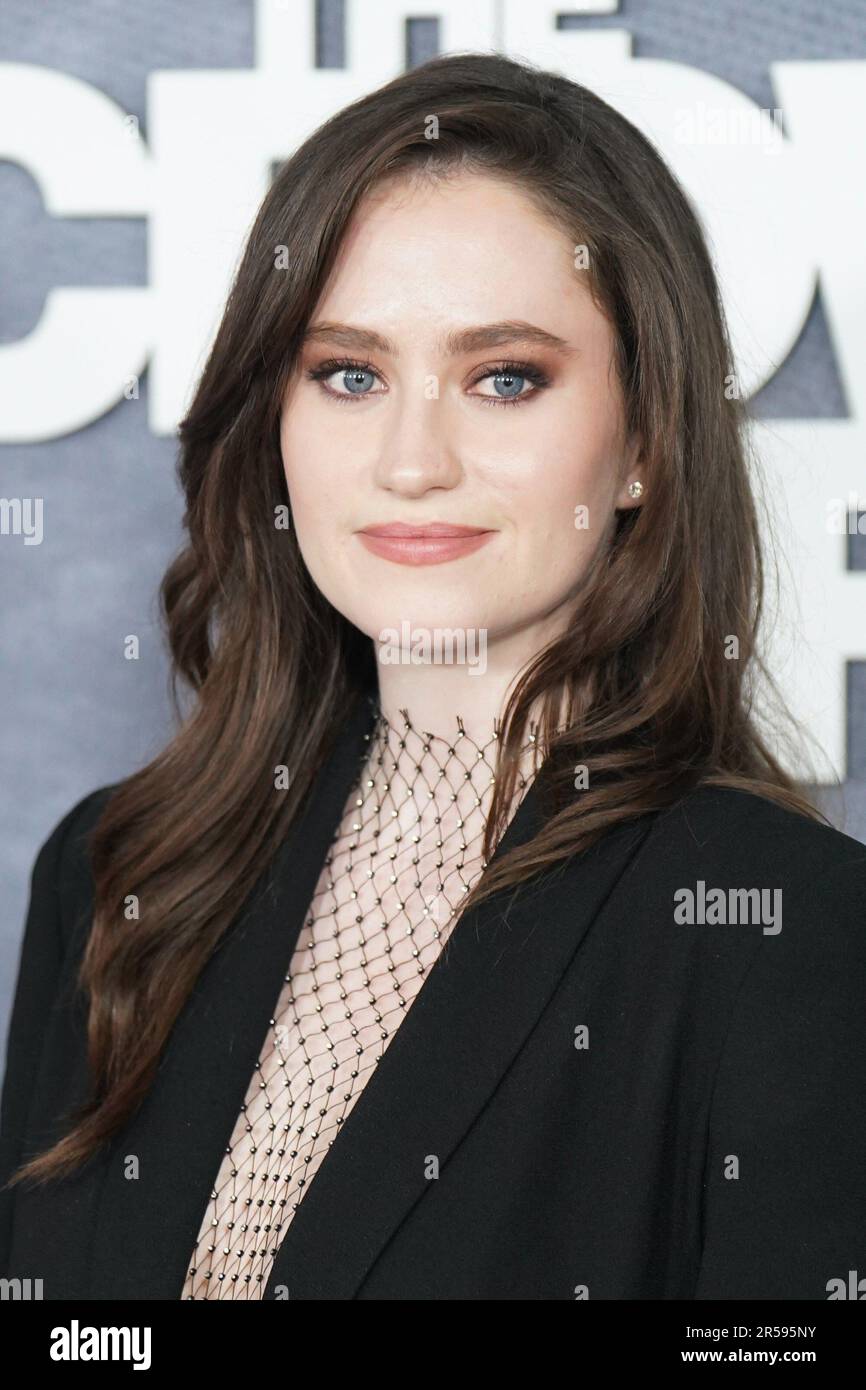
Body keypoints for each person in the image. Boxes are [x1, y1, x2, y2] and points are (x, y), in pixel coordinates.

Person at [1, 51, 864, 1302]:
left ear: (641, 444)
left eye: (502, 377)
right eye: (347, 374)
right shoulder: (116, 874)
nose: (411, 460)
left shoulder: (783, 929)